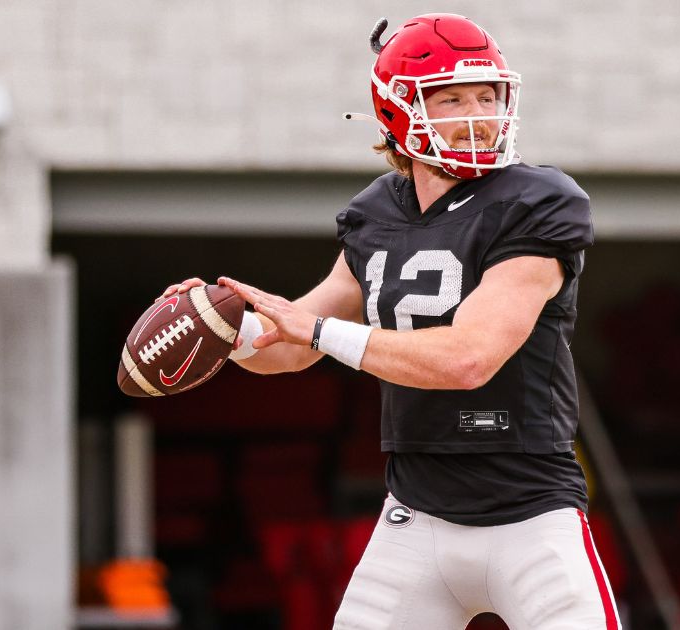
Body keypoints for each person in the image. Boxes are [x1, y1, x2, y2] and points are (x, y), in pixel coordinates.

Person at [164, 13, 621, 629]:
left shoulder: (537, 201)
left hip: (531, 516)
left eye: (487, 95)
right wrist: (228, 332)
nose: (478, 113)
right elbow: (293, 344)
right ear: (399, 109)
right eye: (453, 98)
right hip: (416, 519)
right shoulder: (375, 212)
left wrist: (317, 332)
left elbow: (467, 359)